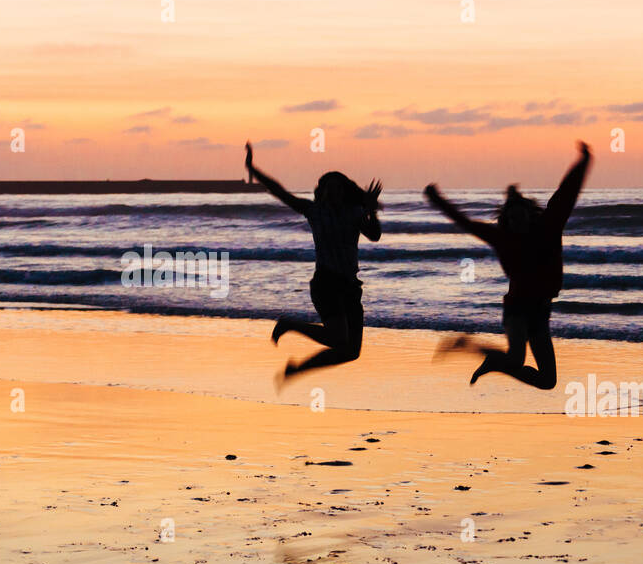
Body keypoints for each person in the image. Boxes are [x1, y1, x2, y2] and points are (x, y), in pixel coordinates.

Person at [423, 141, 592, 389]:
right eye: (511, 218)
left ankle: (493, 362)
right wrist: (438, 201)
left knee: (547, 381)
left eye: (520, 214)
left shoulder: (549, 225)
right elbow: (465, 222)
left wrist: (583, 161)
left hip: (541, 311)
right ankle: (468, 346)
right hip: (517, 308)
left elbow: (567, 193)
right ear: (506, 220)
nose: (516, 221)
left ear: (529, 213)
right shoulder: (501, 237)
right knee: (515, 357)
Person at [244, 142, 382, 387]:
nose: (334, 193)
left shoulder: (355, 212)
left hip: (350, 287)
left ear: (345, 191)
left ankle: (298, 370)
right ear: (322, 192)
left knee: (351, 351)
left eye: (338, 188)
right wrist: (253, 169)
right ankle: (290, 325)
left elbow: (375, 235)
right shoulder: (314, 210)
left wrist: (372, 211)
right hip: (326, 283)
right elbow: (280, 191)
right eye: (329, 188)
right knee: (337, 337)